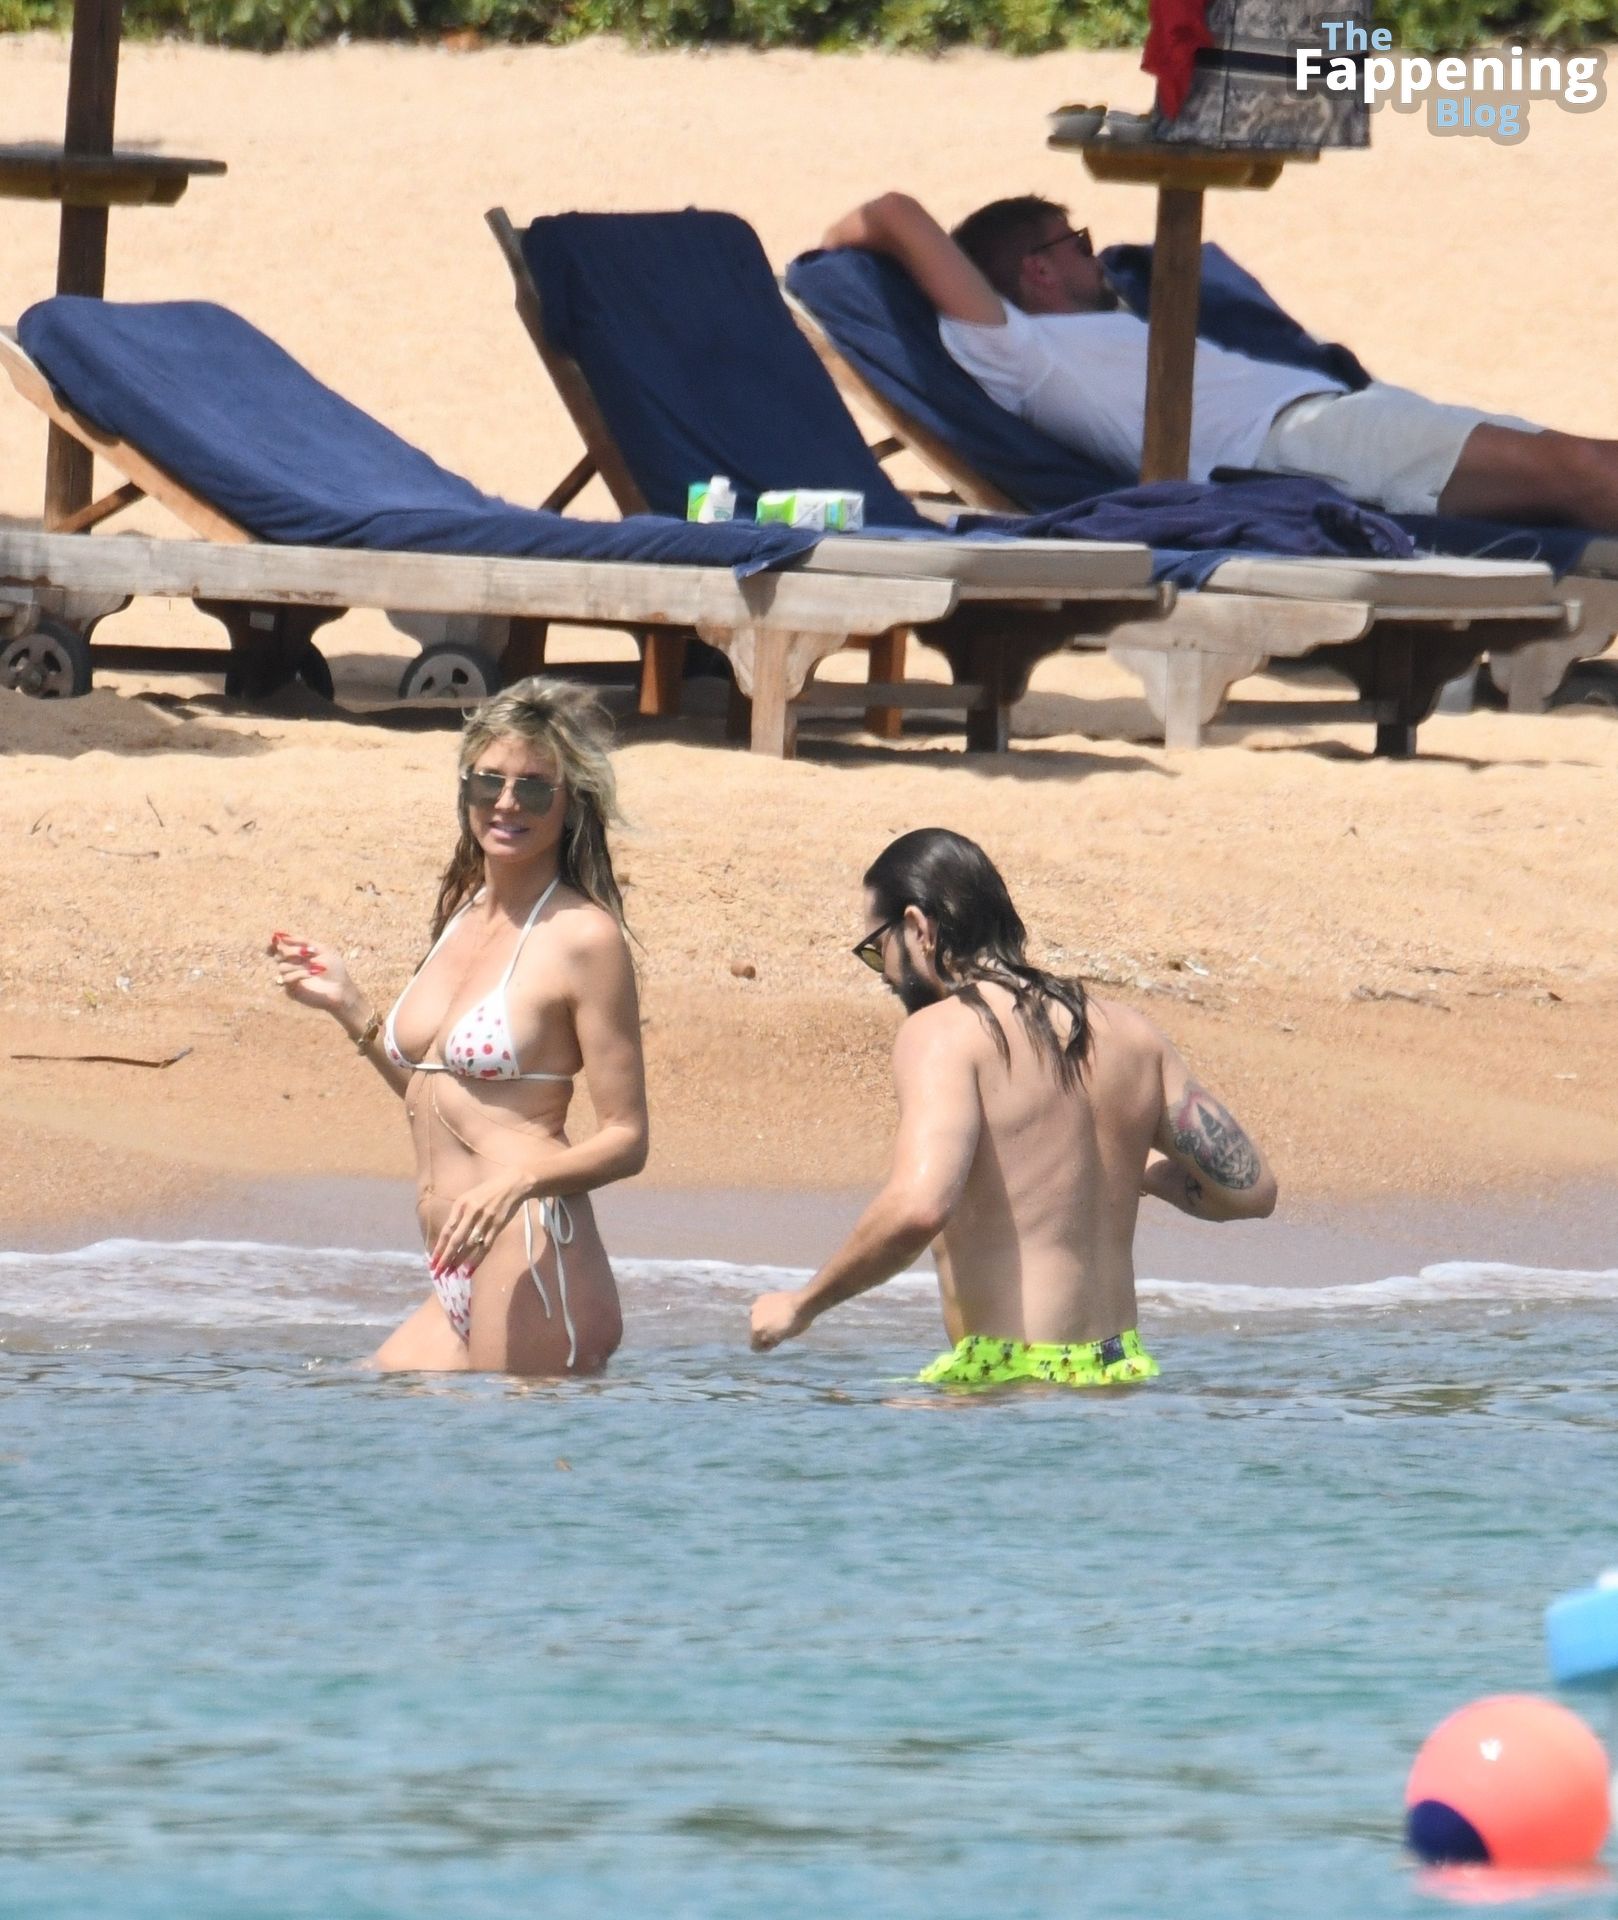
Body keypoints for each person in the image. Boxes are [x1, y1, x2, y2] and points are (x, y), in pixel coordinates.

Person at [748, 829, 1275, 1387]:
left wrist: (802, 1305)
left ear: (918, 928)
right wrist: (1134, 1167)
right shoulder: (1132, 1034)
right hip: (1122, 1371)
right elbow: (1250, 1191)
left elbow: (919, 1207)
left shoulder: (943, 1034)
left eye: (877, 949)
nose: (883, 973)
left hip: (1011, 1375)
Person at [820, 190, 1618, 532]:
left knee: (1589, 466)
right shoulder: (1020, 351)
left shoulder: (1099, 327)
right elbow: (892, 212)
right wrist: (837, 265)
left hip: (1344, 419)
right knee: (1584, 474)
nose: (1096, 257)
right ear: (1037, 270)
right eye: (1078, 243)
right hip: (1294, 446)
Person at [270, 678, 648, 1376]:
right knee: (354, 1406)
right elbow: (439, 1094)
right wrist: (351, 1007)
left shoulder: (583, 937)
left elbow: (627, 1139)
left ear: (571, 804)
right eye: (489, 782)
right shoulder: (464, 912)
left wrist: (519, 1182)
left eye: (534, 788)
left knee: (500, 1448)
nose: (506, 803)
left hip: (533, 1258)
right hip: (455, 1271)